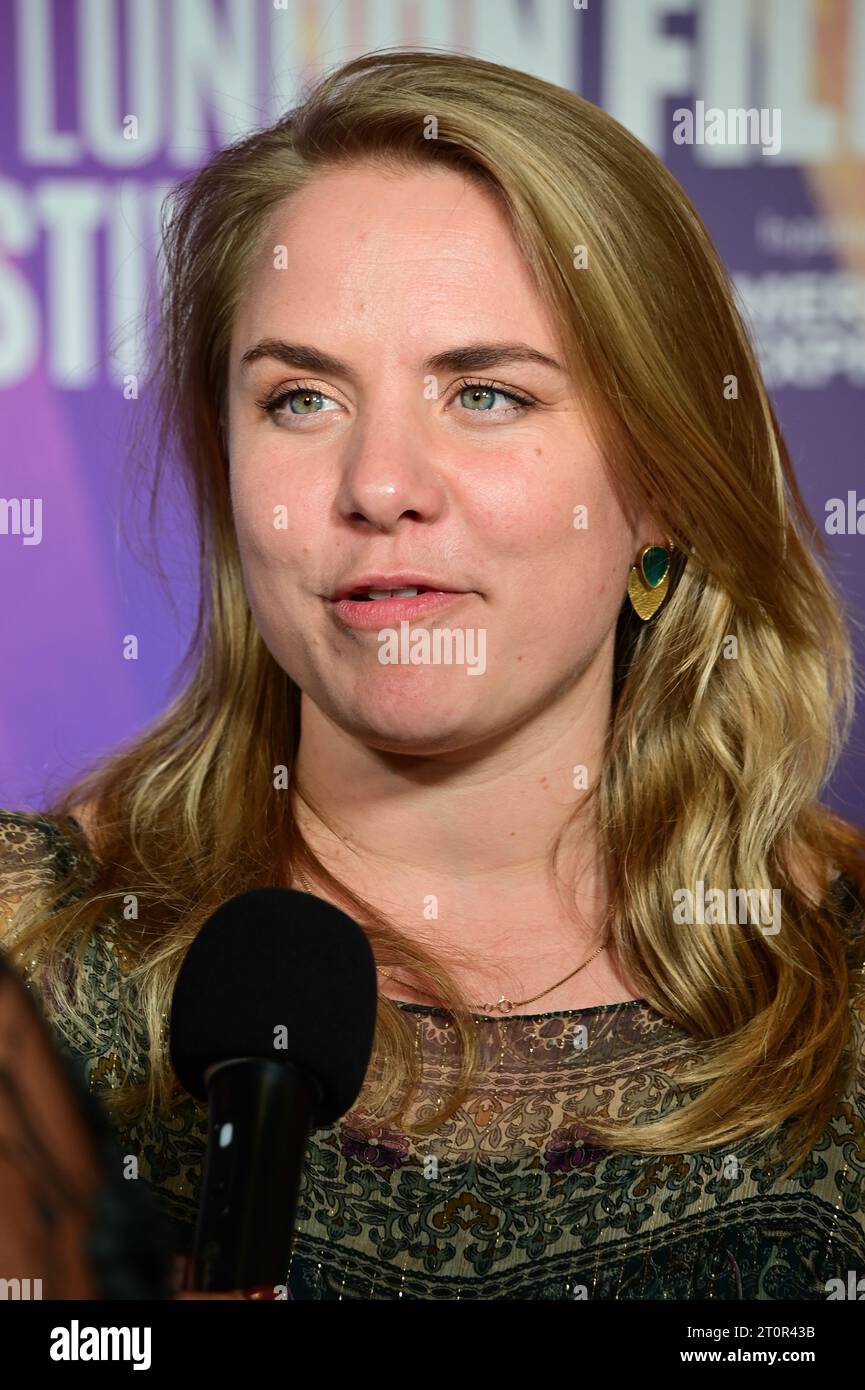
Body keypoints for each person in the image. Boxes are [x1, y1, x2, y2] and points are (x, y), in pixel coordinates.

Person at [2, 47, 864, 1301]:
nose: (379, 485)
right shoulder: (26, 954)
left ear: (664, 479)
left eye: (485, 393)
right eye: (300, 398)